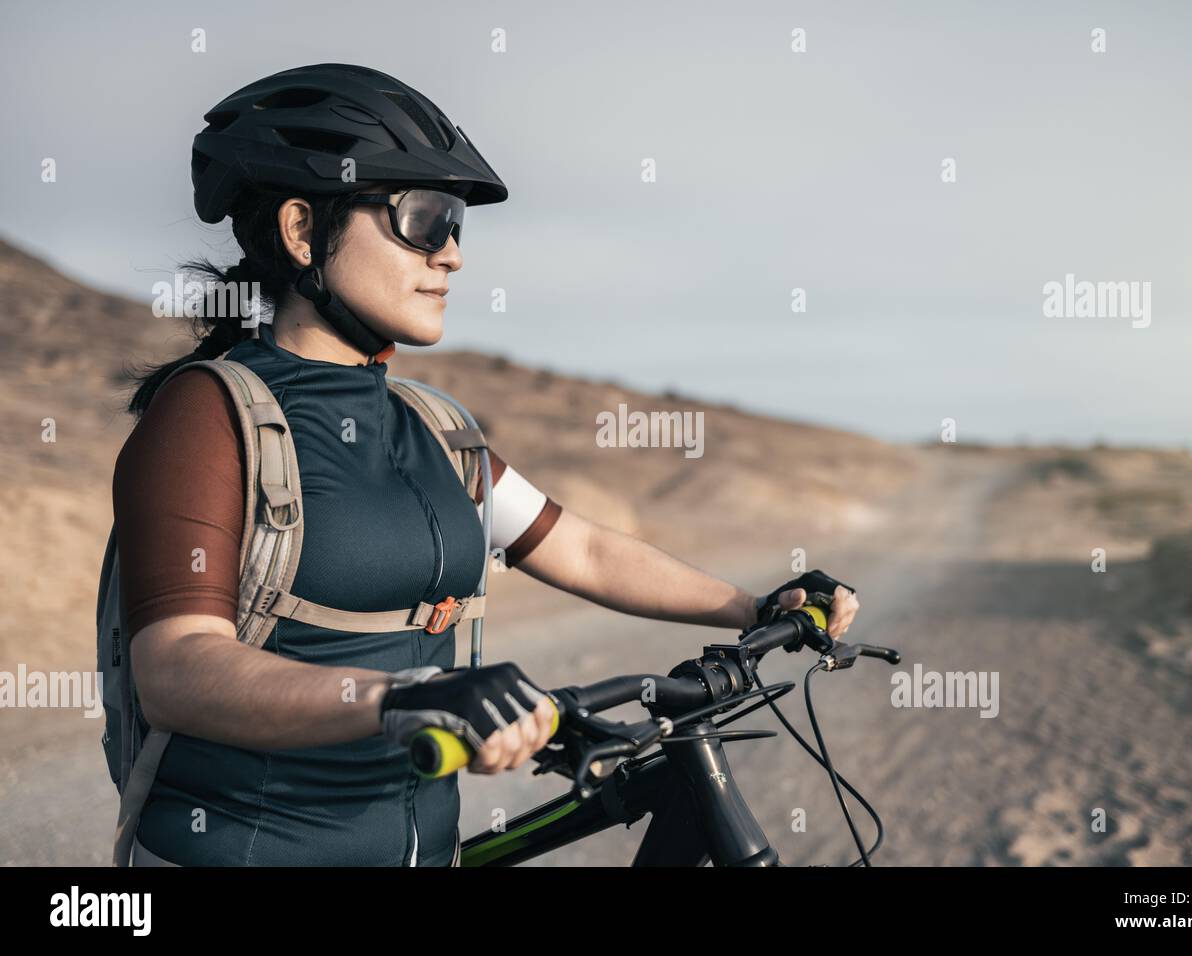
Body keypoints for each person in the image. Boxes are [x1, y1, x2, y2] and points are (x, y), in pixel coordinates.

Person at [114, 63, 860, 867]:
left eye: (458, 225)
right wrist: (407, 697)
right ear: (302, 230)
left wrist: (753, 606)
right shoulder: (209, 414)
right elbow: (178, 669)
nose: (453, 256)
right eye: (423, 219)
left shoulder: (436, 429)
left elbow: (580, 549)